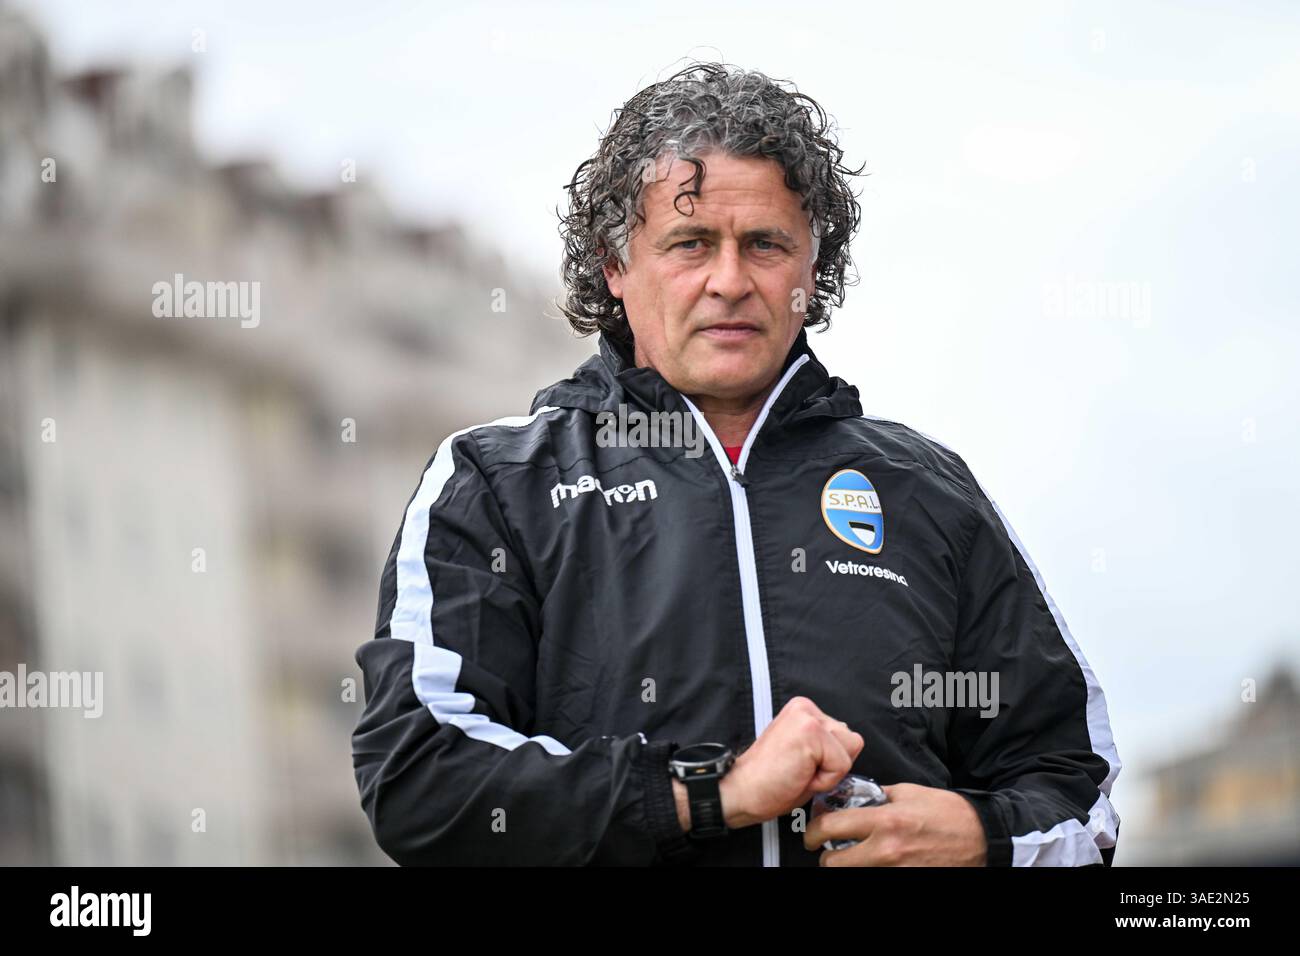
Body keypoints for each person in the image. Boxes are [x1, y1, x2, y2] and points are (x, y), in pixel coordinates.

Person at [351, 62, 1120, 866]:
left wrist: (984, 838)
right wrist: (708, 794)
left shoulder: (926, 488)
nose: (729, 281)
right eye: (689, 244)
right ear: (616, 268)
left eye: (765, 245)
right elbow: (419, 778)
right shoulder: (498, 482)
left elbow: (1075, 786)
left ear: (810, 270)